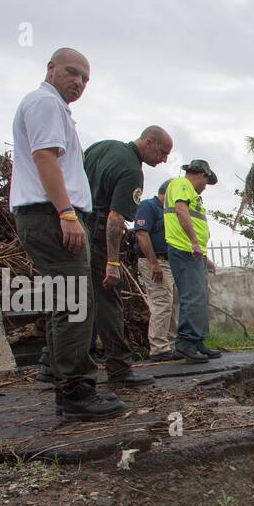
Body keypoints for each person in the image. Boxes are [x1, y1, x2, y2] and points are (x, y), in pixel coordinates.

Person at [9, 47, 122, 421]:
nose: (79, 82)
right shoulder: (45, 104)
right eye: (73, 73)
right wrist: (67, 213)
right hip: (51, 215)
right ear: (51, 68)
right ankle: (76, 393)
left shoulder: (50, 105)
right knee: (76, 302)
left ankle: (63, 380)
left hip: (46, 215)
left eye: (85, 79)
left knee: (66, 300)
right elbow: (45, 158)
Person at [82, 127, 173, 384]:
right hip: (98, 236)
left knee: (76, 298)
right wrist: (112, 261)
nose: (164, 160)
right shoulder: (132, 170)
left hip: (76, 228)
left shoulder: (101, 146)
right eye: (163, 152)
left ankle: (51, 363)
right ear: (148, 142)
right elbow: (115, 218)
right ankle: (120, 368)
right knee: (108, 299)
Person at [164, 159, 221, 362]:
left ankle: (197, 342)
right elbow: (181, 211)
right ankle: (185, 344)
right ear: (202, 174)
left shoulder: (192, 193)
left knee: (200, 297)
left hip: (194, 252)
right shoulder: (181, 184)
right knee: (192, 296)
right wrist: (194, 242)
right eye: (207, 182)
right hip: (183, 249)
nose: (205, 187)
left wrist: (205, 257)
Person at [134, 180, 179, 361]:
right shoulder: (149, 206)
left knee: (171, 304)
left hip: (169, 262)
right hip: (154, 262)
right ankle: (159, 348)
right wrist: (154, 263)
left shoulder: (169, 211)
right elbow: (142, 234)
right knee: (161, 302)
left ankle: (170, 344)